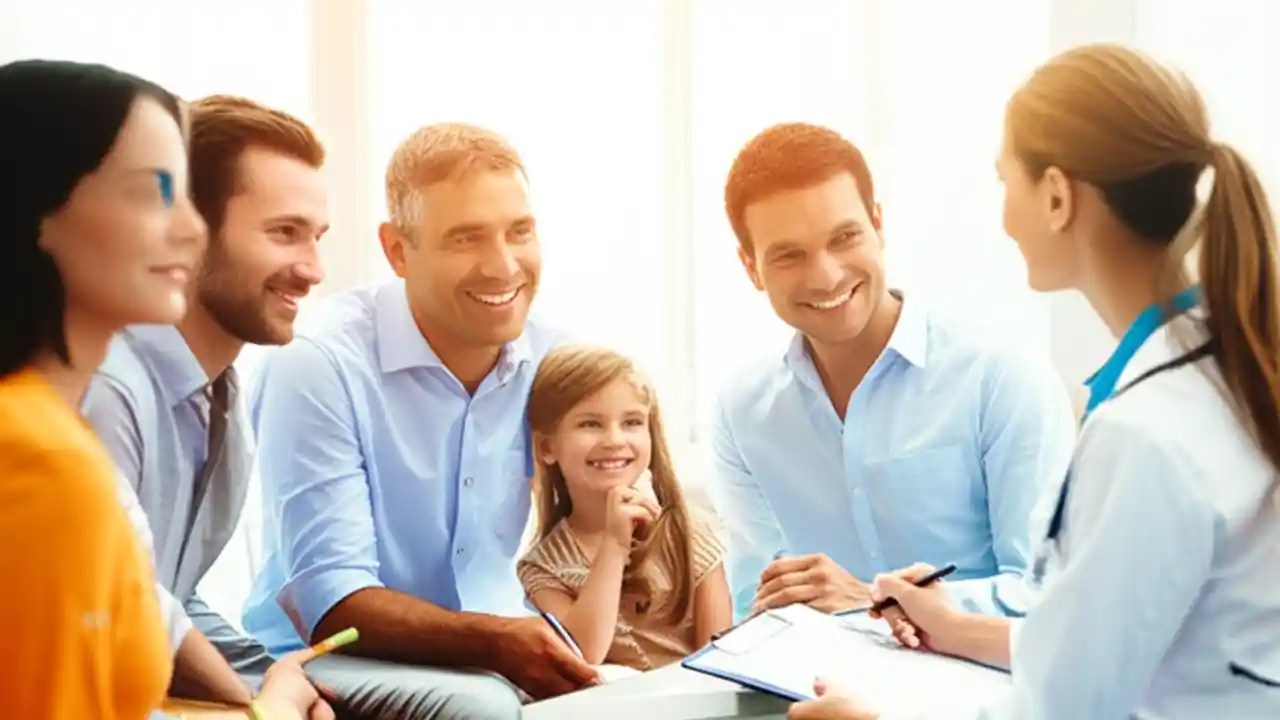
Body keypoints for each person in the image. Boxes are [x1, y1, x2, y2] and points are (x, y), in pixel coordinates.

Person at [789, 43, 1280, 720]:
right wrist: (958, 627)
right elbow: (1120, 644)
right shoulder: (1228, 373)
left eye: (1004, 183)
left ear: (1055, 196)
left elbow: (1065, 708)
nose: (1003, 219)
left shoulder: (1145, 433)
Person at [241, 122, 599, 718]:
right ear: (398, 251)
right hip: (326, 659)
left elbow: (614, 516)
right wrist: (497, 642)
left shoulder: (556, 360)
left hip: (493, 650)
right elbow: (333, 602)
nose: (503, 266)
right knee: (483, 708)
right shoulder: (317, 366)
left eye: (520, 231)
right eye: (467, 238)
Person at [0, 58, 318, 720]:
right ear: (36, 209)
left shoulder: (63, 441)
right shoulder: (45, 460)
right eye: (152, 193)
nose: (192, 231)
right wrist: (270, 711)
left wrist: (261, 694)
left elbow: (159, 601)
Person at [711, 122, 1076, 621]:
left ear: (878, 226)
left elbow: (1048, 596)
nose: (827, 275)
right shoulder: (742, 411)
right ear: (751, 267)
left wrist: (874, 601)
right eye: (789, 255)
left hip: (981, 686)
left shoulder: (1001, 379)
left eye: (845, 237)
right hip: (817, 690)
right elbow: (759, 606)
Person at [82, 94, 331, 717]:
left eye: (317, 237)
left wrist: (277, 680)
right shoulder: (104, 389)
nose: (314, 269)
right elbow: (116, 609)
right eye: (285, 233)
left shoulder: (225, 401)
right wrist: (254, 702)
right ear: (189, 229)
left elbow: (175, 597)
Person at [518, 345, 733, 670]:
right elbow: (581, 656)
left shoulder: (691, 534)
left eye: (632, 422)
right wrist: (615, 546)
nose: (614, 439)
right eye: (590, 424)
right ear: (547, 447)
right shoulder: (543, 567)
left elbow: (719, 660)